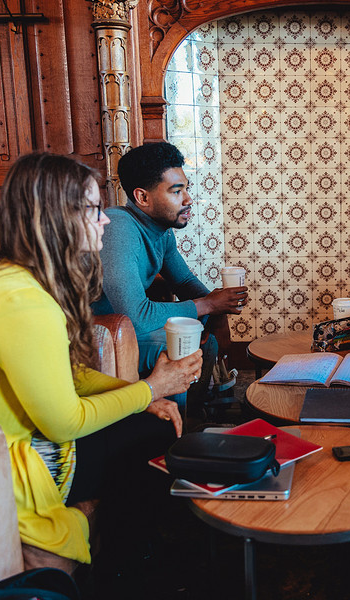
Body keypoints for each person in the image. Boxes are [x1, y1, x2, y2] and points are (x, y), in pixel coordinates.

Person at [0, 153, 203, 575]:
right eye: (93, 210)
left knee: (143, 422)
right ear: (56, 220)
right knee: (148, 434)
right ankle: (129, 569)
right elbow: (63, 423)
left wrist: (136, 395)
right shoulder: (20, 298)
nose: (104, 221)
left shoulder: (1, 278)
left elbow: (64, 376)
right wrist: (151, 389)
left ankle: (137, 550)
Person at [92, 141, 247, 422]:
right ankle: (171, 436)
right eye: (177, 191)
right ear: (143, 197)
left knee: (203, 339)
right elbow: (135, 316)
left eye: (186, 188)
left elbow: (184, 281)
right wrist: (207, 305)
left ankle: (194, 421)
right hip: (98, 334)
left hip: (127, 329)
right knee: (178, 346)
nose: (188, 199)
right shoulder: (119, 227)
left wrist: (218, 311)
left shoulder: (162, 232)